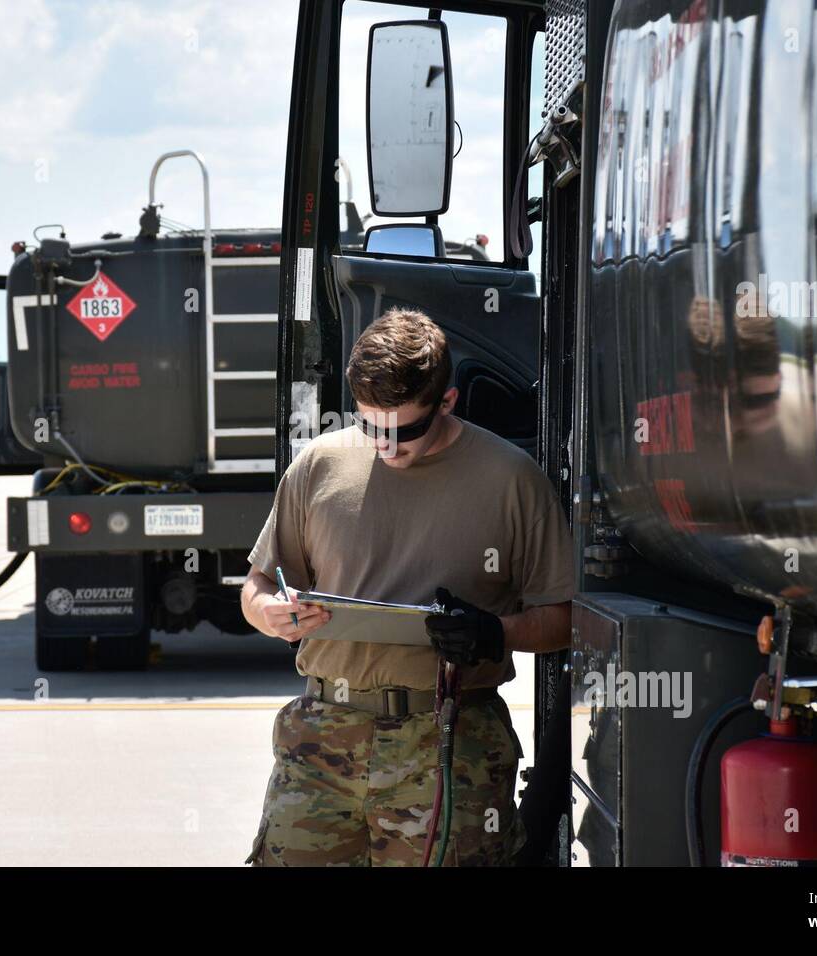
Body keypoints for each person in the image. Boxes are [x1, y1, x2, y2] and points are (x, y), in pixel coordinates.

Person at [240, 307, 574, 866]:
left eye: (404, 430)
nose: (385, 446)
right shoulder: (318, 465)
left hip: (449, 743)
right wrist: (268, 611)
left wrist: (494, 632)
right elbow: (257, 583)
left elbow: (564, 618)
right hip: (320, 743)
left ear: (447, 402)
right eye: (370, 426)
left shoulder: (511, 479)